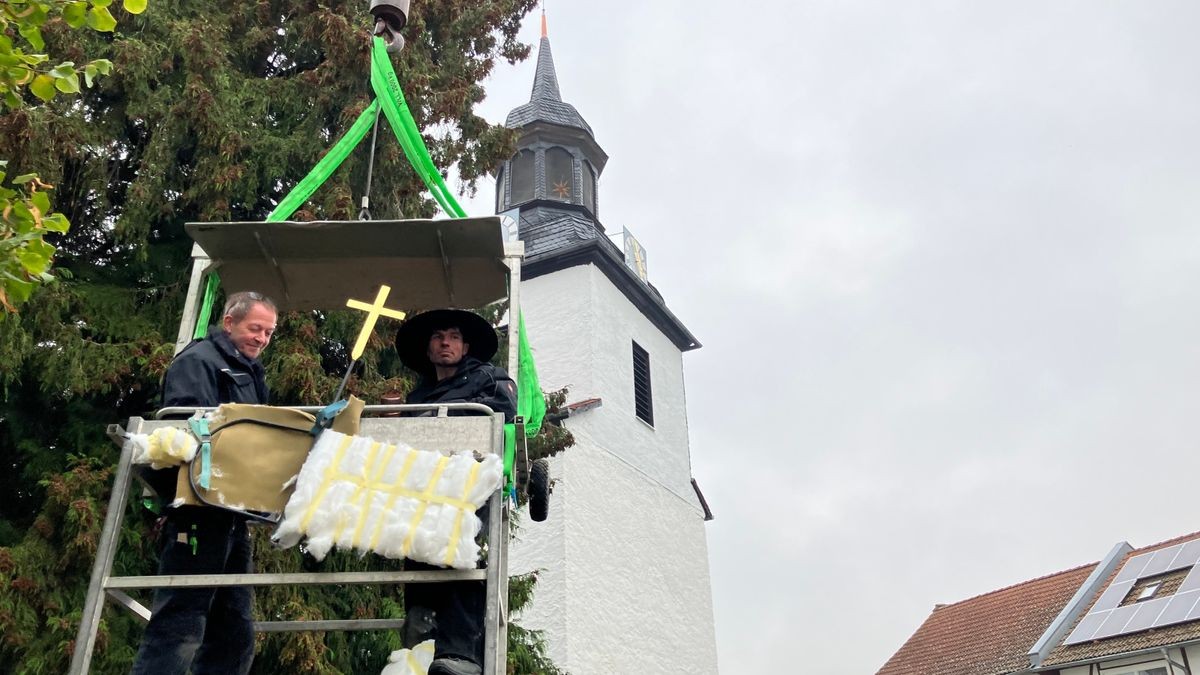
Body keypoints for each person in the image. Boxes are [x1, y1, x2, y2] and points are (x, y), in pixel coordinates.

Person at [131, 291, 278, 675]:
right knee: (181, 619)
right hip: (198, 508)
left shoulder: (249, 372)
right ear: (229, 322)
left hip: (232, 512)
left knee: (234, 628)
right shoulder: (199, 361)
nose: (262, 338)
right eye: (255, 328)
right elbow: (185, 426)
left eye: (269, 332)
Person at [394, 308, 516, 675]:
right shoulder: (417, 397)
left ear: (465, 346)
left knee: (461, 553)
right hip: (423, 488)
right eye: (437, 337)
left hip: (467, 484)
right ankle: (422, 635)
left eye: (453, 337)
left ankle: (460, 653)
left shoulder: (489, 380)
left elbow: (500, 417)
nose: (445, 343)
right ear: (428, 350)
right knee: (417, 547)